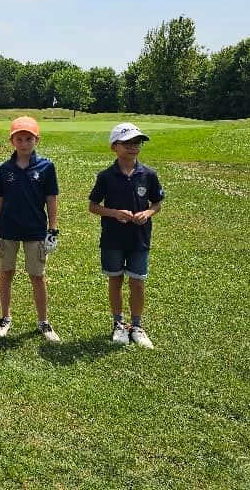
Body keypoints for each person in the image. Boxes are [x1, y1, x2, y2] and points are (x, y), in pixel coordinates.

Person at [89, 123, 164, 349]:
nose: (133, 147)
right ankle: (119, 323)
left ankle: (137, 325)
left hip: (139, 238)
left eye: (137, 142)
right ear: (114, 147)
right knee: (115, 280)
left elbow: (157, 203)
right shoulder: (106, 176)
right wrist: (113, 213)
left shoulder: (148, 174)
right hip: (113, 238)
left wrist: (148, 212)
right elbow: (93, 206)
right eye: (128, 143)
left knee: (138, 282)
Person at [0, 116, 61, 342]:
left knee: (37, 276)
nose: (24, 143)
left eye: (28, 138)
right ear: (12, 141)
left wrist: (53, 228)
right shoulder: (5, 169)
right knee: (5, 273)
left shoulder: (46, 167)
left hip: (35, 230)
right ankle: (5, 317)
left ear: (36, 140)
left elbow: (51, 199)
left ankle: (43, 322)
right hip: (8, 229)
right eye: (19, 139)